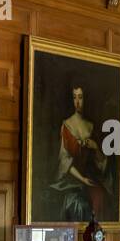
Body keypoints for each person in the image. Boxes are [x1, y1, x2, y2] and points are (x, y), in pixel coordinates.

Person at [48, 83, 111, 221]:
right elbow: (64, 161)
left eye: (80, 97)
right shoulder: (67, 125)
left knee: (101, 196)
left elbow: (101, 163)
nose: (77, 102)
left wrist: (95, 148)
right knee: (79, 203)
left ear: (85, 99)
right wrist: (82, 179)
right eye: (74, 97)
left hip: (90, 177)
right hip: (72, 179)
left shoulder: (91, 126)